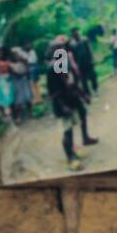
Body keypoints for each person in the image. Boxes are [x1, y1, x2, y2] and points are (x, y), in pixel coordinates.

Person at [45, 35, 98, 171]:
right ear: (53, 52)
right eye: (58, 49)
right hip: (62, 105)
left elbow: (71, 83)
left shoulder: (62, 64)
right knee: (67, 131)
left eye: (62, 48)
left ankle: (75, 149)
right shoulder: (52, 68)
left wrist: (82, 95)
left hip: (71, 100)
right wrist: (63, 106)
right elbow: (54, 92)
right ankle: (70, 158)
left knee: (74, 124)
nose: (61, 50)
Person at [70, 28, 98, 97]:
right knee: (83, 80)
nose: (76, 34)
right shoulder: (72, 44)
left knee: (93, 76)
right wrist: (75, 65)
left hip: (88, 62)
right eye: (74, 33)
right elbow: (73, 56)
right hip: (80, 64)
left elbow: (90, 50)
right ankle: (88, 93)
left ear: (78, 32)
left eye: (76, 32)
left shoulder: (84, 39)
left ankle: (95, 89)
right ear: (72, 35)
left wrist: (92, 60)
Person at [0, 60, 15, 125]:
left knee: (6, 106)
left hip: (3, 88)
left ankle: (9, 121)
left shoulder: (0, 78)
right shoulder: (4, 76)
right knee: (6, 106)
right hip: (4, 88)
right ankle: (8, 120)